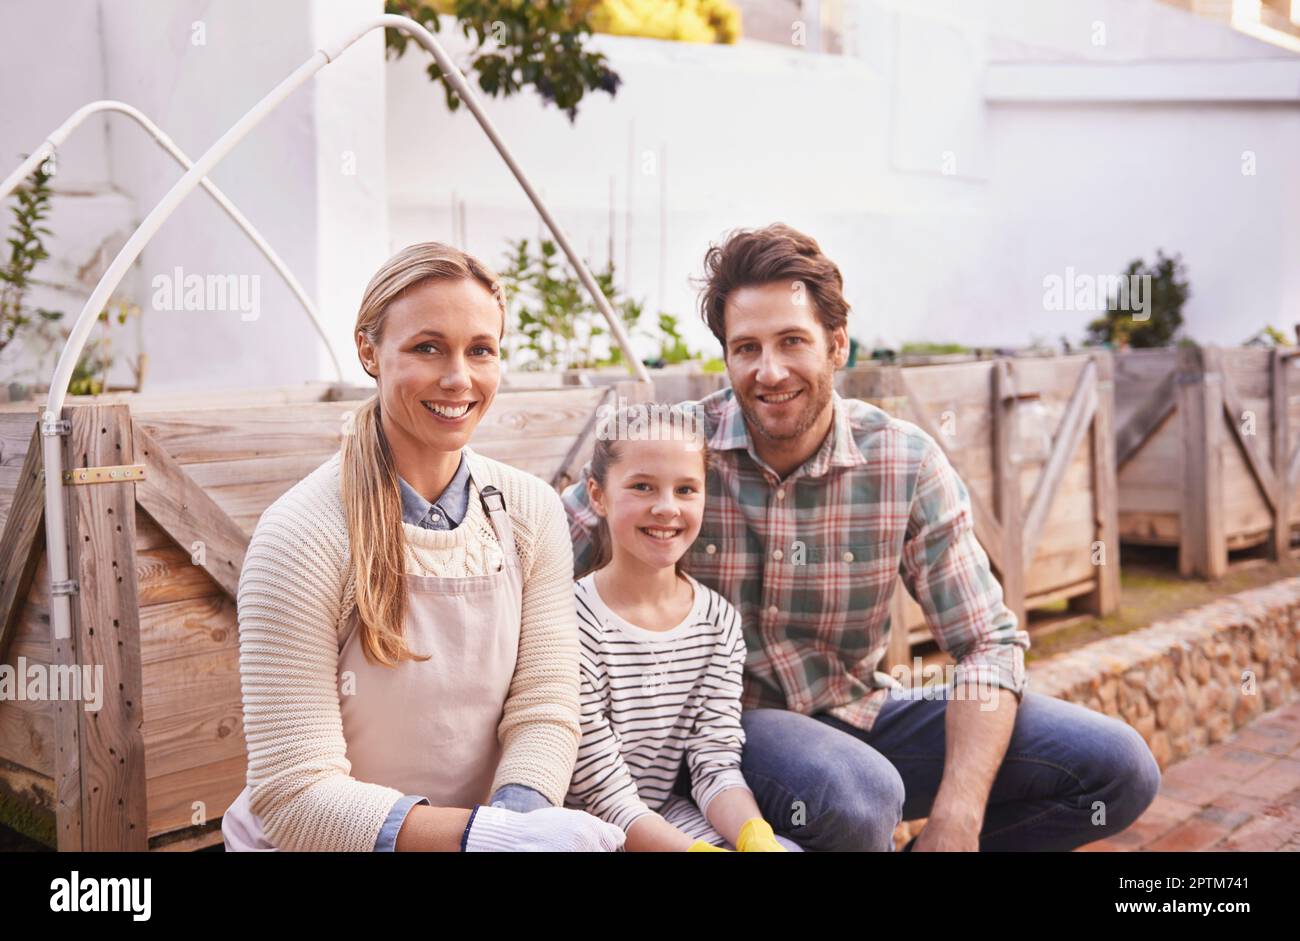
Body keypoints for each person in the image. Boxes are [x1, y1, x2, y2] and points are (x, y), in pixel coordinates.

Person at [561, 223, 1161, 851]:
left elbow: (987, 643)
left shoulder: (904, 461)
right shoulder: (677, 453)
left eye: (792, 341)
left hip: (861, 713)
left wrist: (958, 816)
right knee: (858, 792)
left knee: (1116, 765)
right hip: (724, 739)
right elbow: (543, 551)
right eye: (746, 348)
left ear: (837, 344)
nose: (769, 371)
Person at [221, 242, 624, 852]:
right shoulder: (299, 536)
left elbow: (545, 704)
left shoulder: (529, 511)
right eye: (427, 347)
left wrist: (517, 826)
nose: (459, 378)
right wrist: (481, 837)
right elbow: (294, 795)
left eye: (480, 350)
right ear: (369, 352)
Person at [563, 403, 793, 851]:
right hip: (579, 828)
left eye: (686, 489)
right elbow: (599, 792)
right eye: (642, 486)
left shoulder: (719, 623)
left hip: (661, 813)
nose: (666, 508)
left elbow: (714, 762)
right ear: (597, 495)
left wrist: (754, 835)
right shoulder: (570, 622)